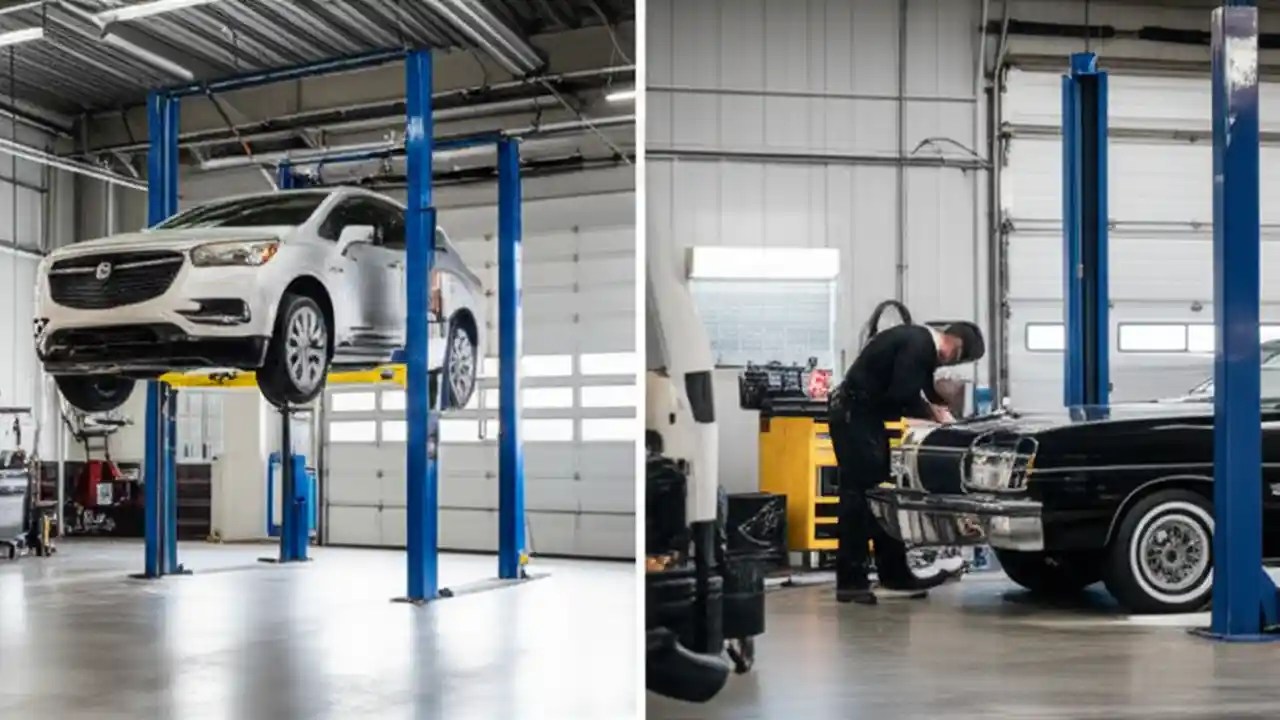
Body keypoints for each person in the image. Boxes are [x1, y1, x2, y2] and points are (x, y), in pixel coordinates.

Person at [828, 320, 984, 605]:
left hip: (863, 418)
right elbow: (903, 394)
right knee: (861, 499)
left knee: (883, 495)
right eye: (960, 358)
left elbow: (922, 388)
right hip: (854, 415)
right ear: (955, 346)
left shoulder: (920, 344)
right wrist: (935, 416)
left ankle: (895, 574)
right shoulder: (919, 345)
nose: (952, 363)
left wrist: (941, 407)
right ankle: (851, 583)